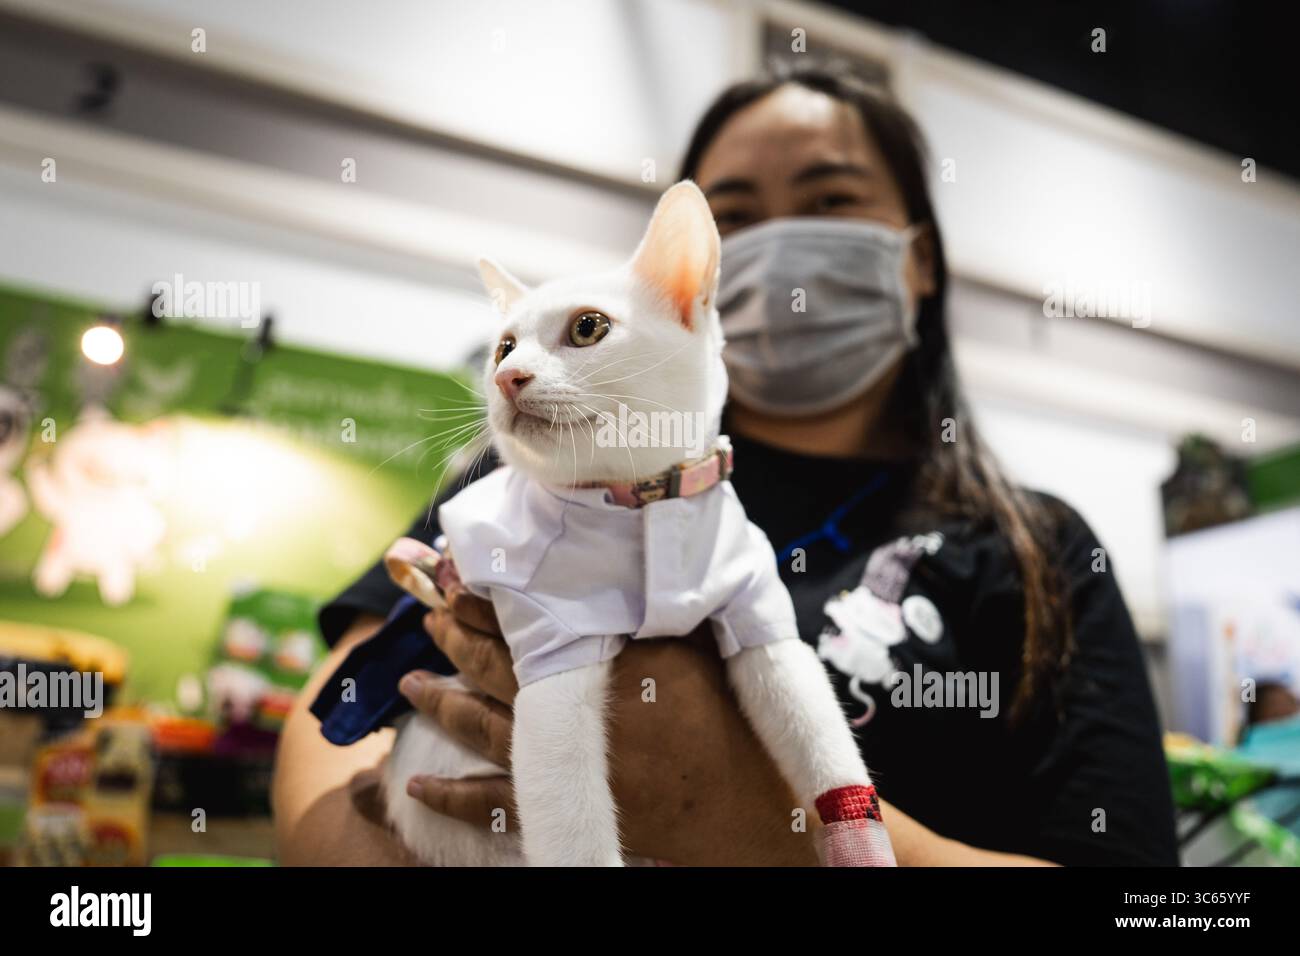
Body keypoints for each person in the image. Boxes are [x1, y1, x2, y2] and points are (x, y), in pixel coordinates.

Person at [273, 62, 1178, 866]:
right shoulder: (531, 475)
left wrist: (753, 818)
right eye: (737, 213)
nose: (779, 245)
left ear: (921, 257)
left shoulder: (1038, 554)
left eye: (829, 202)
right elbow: (332, 733)